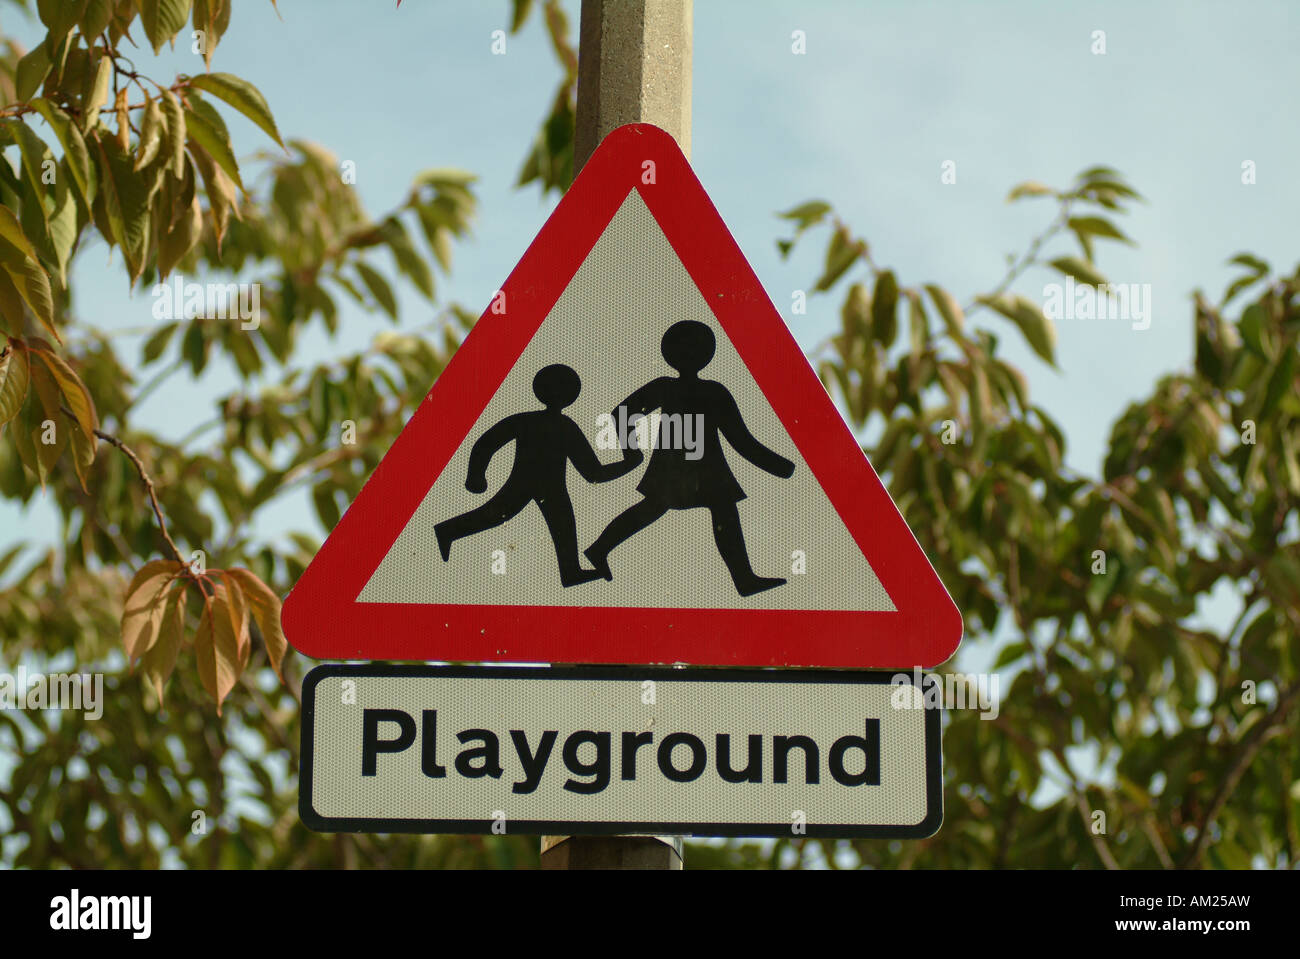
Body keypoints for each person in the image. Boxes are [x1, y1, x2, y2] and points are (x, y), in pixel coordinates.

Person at [585, 320, 796, 597]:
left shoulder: (703, 391)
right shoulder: (697, 390)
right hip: (687, 466)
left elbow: (741, 439)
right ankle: (744, 579)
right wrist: (632, 453)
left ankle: (599, 549)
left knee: (680, 507)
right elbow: (623, 413)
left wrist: (780, 466)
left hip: (698, 467)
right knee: (692, 507)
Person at [435, 364, 636, 587]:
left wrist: (476, 475)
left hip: (548, 488)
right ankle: (446, 531)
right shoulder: (554, 424)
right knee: (497, 515)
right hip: (530, 485)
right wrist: (475, 476)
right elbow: (487, 442)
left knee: (558, 525)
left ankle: (571, 571)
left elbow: (592, 472)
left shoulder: (546, 423)